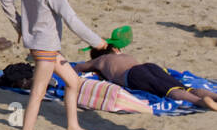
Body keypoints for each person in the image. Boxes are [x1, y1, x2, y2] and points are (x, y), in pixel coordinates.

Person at [0, 0, 108, 130]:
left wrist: (20, 27)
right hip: (46, 48)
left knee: (73, 82)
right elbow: (72, 20)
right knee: (38, 93)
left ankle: (73, 128)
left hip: (43, 47)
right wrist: (97, 42)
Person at [75, 44, 217, 112]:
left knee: (168, 91)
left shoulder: (100, 61)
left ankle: (200, 102)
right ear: (115, 49)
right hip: (149, 66)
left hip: (133, 75)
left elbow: (80, 67)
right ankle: (212, 96)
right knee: (184, 87)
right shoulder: (123, 55)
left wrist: (84, 70)